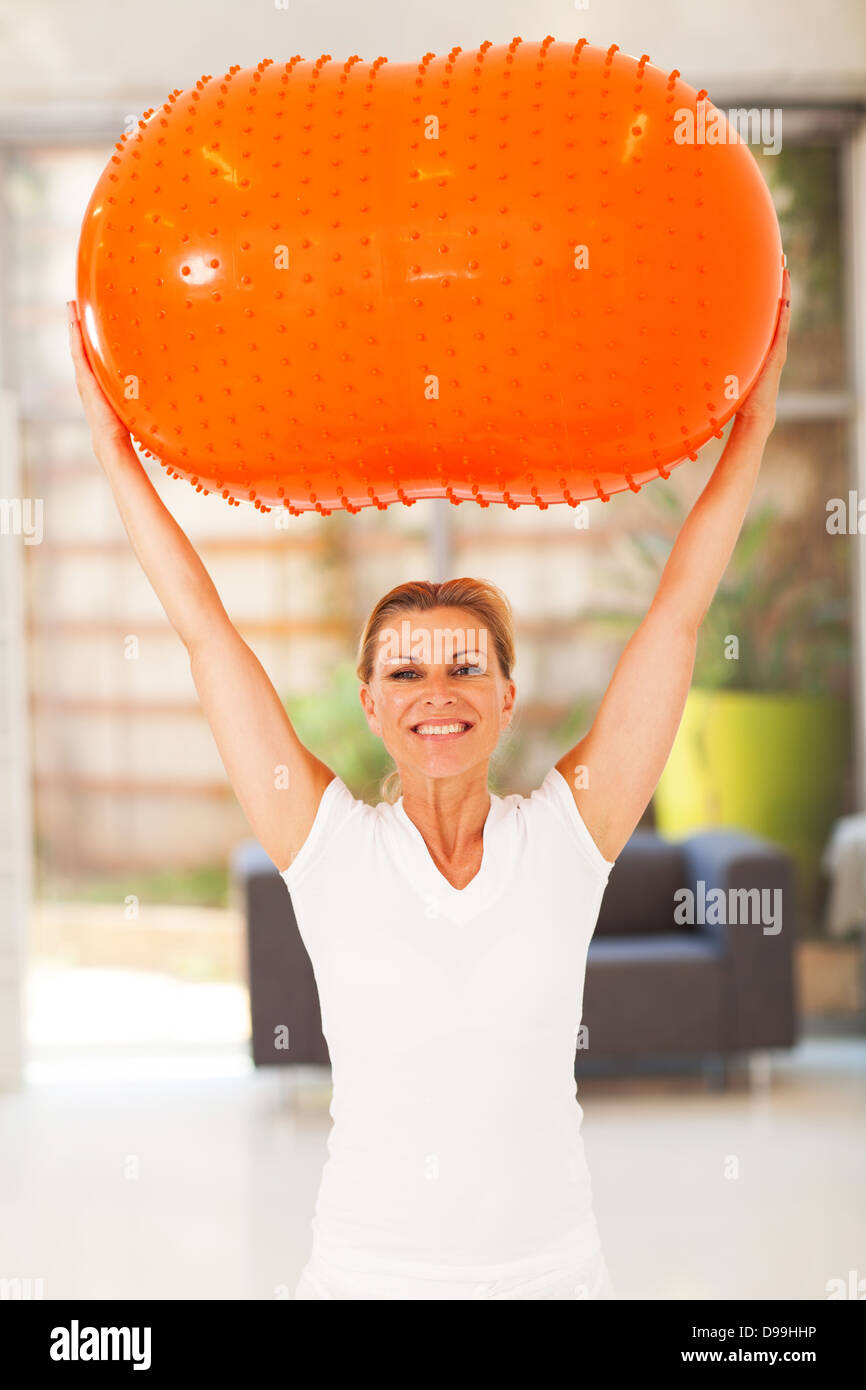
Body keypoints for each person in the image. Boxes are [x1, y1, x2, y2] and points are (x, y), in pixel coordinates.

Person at [67, 271, 790, 1299]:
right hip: (366, 1278)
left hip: (553, 1278)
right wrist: (111, 450)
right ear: (368, 702)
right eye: (404, 670)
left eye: (462, 667)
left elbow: (673, 616)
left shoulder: (563, 840)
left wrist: (752, 426)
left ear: (504, 695)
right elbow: (203, 630)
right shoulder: (325, 847)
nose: (434, 692)